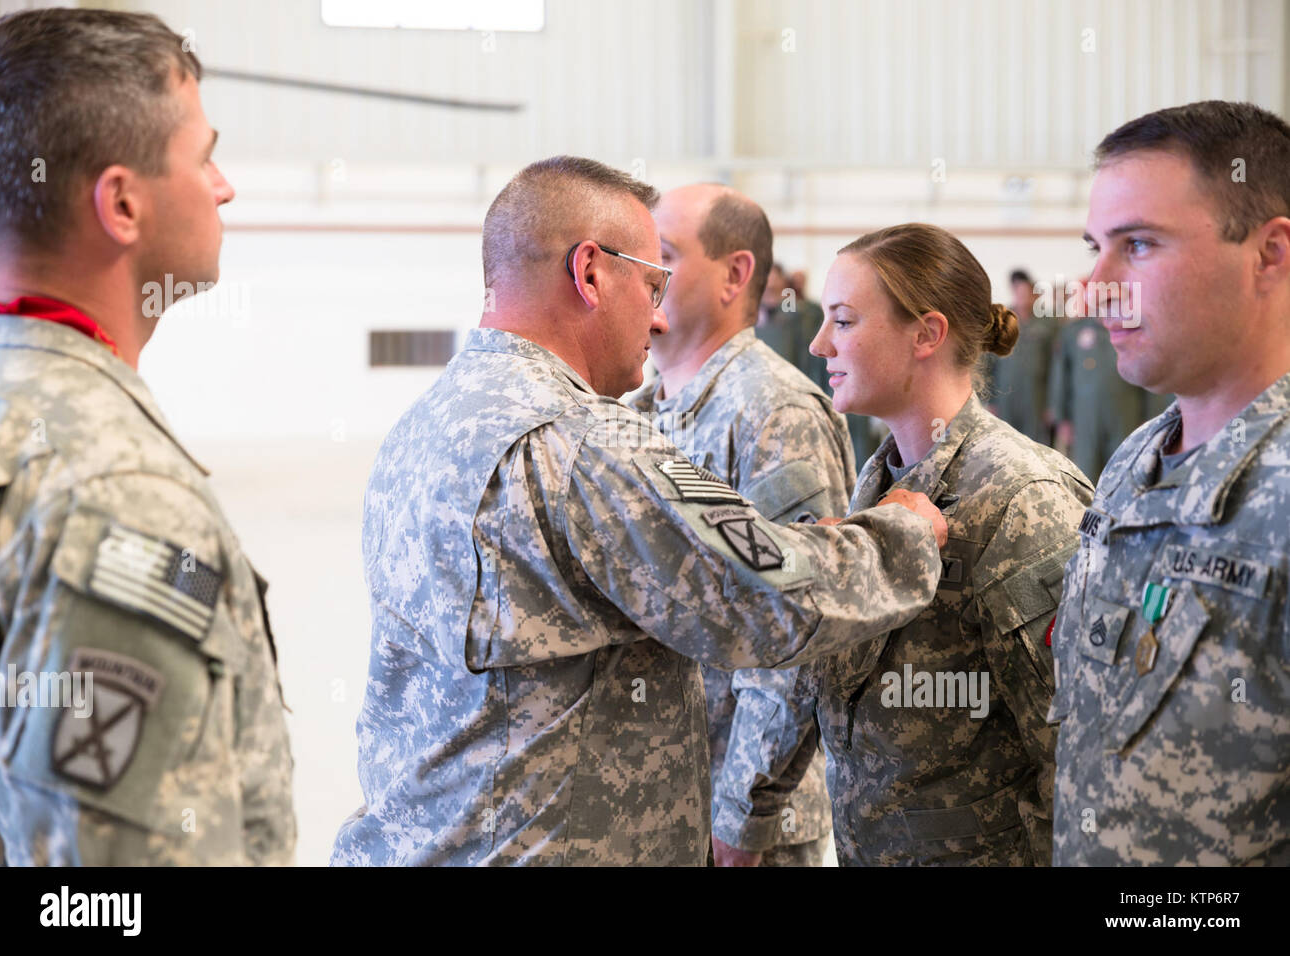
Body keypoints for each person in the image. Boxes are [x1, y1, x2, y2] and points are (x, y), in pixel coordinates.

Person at [331, 157, 947, 866]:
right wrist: (903, 533)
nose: (657, 315)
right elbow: (766, 598)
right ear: (590, 273)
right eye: (652, 284)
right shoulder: (586, 442)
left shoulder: (428, 423)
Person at [0, 9, 295, 865]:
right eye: (203, 157)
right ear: (123, 204)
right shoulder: (120, 492)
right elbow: (110, 888)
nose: (223, 187)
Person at [731, 223, 1093, 865]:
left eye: (844, 321)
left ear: (926, 334)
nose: (818, 343)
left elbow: (1076, 753)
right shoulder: (882, 483)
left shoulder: (1022, 497)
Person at [1050, 100, 1290, 865]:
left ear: (1269, 255)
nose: (1094, 290)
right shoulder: (1137, 457)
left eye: (1139, 245)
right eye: (1096, 249)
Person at [630, 184, 852, 867]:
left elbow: (799, 629)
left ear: (735, 274)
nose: (644, 277)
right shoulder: (639, 415)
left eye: (665, 257)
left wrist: (741, 817)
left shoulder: (774, 412)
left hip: (743, 832)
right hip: (662, 807)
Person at [759, 262, 879, 464]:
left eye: (773, 275)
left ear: (783, 280)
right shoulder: (756, 319)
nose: (768, 281)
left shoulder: (801, 313)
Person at [1047, 311, 1150, 481]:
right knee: (1086, 472)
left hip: (1125, 414)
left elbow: (1148, 371)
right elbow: (1061, 376)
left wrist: (1150, 416)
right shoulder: (1073, 331)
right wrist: (1061, 417)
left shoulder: (1133, 329)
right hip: (1084, 417)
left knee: (1124, 472)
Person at [985, 269, 1057, 444]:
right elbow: (988, 363)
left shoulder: (1048, 323)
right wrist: (990, 401)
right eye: (1019, 292)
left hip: (1037, 396)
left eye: (1026, 292)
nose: (1023, 297)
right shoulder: (1000, 321)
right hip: (1005, 397)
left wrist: (1053, 404)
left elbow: (1056, 366)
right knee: (1006, 443)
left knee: (1036, 444)